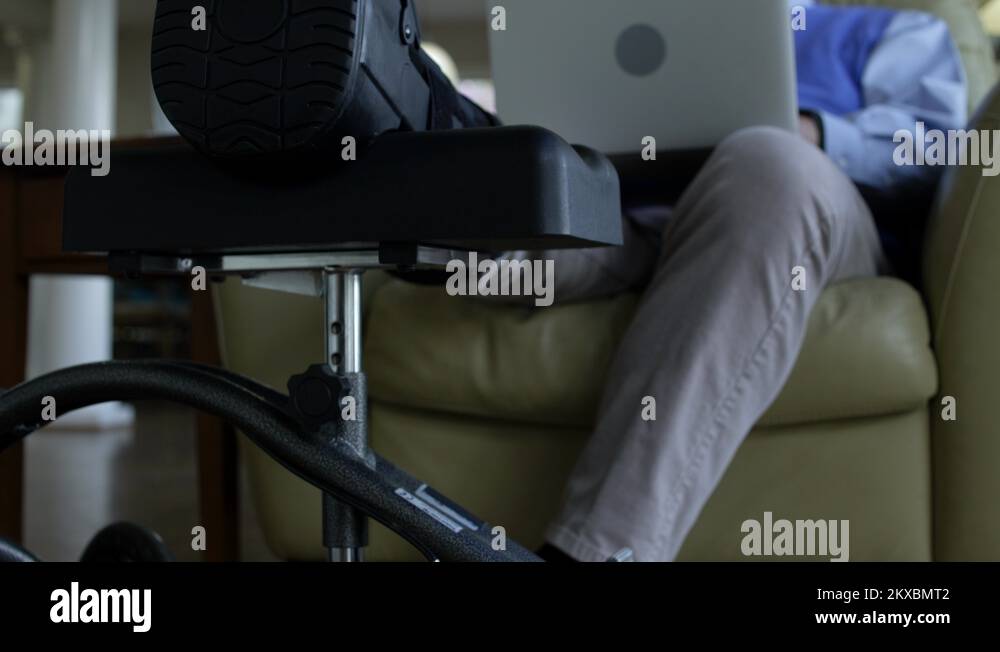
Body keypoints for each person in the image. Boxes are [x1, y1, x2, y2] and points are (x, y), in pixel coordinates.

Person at [155, 0, 968, 561]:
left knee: (765, 163)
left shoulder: (889, 31)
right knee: (504, 197)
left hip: (796, 226)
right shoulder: (627, 24)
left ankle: (596, 553)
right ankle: (430, 232)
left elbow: (931, 142)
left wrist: (807, 127)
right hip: (629, 222)